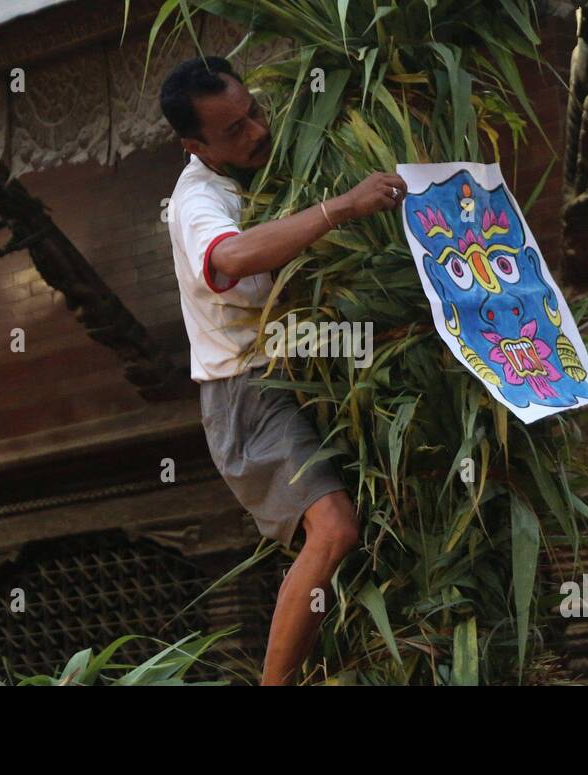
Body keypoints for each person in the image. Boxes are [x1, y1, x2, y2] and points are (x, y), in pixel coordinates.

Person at [159, 55, 407, 685]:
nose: (256, 132)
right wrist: (341, 209)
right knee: (334, 529)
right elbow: (233, 256)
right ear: (196, 146)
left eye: (254, 113)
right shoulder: (197, 200)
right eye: (233, 131)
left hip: (317, 359)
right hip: (251, 390)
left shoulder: (281, 151)